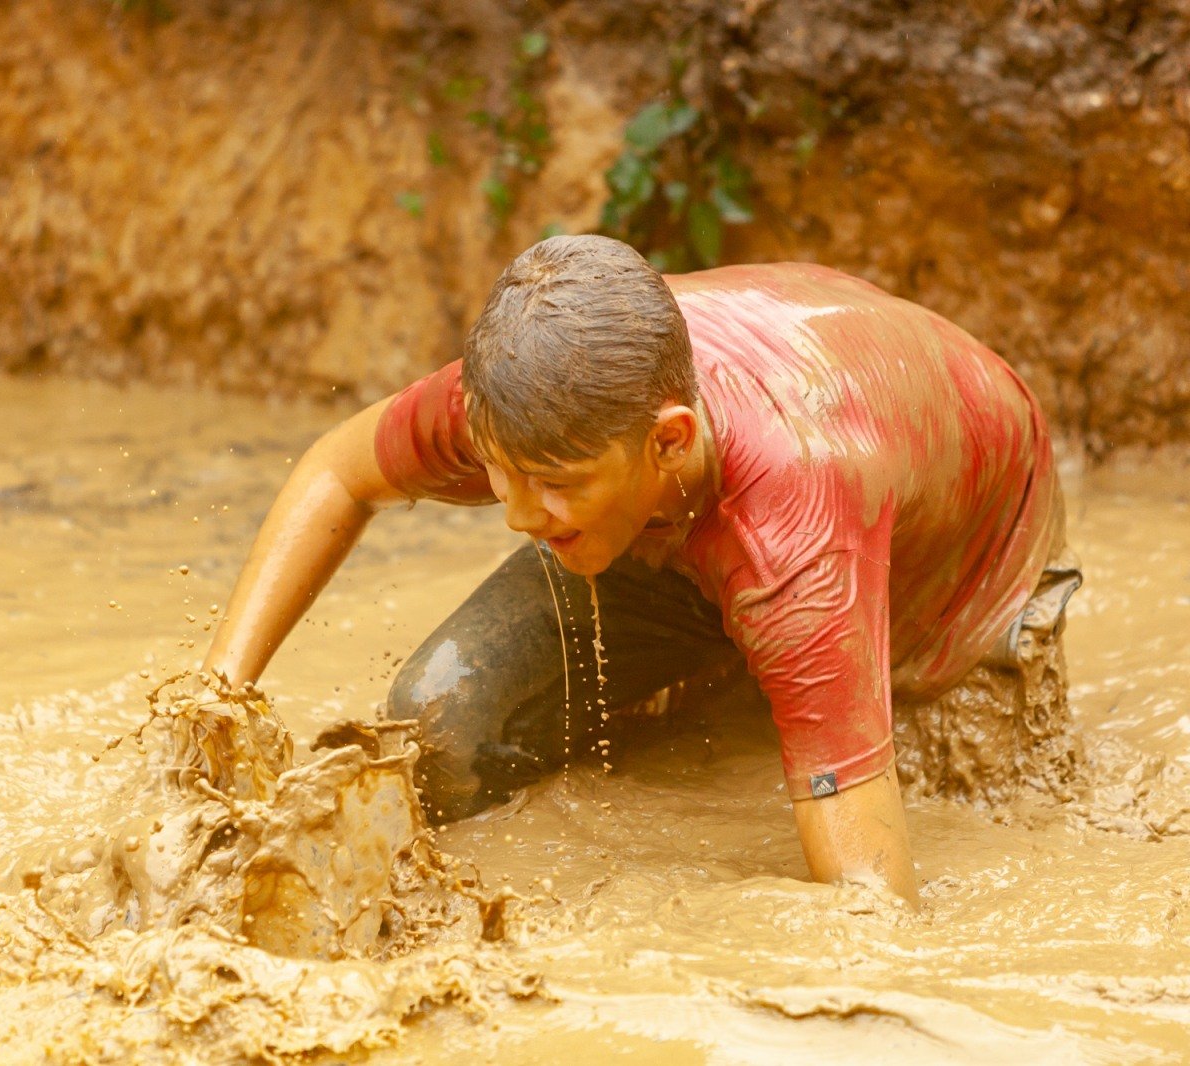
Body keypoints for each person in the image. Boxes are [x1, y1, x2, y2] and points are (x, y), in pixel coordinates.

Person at [197, 235, 1081, 907]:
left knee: (945, 759)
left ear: (669, 442)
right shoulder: (527, 394)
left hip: (958, 542)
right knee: (439, 718)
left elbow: (871, 901)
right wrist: (215, 702)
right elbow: (337, 473)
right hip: (732, 443)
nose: (516, 516)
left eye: (554, 484)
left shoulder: (793, 538)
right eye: (500, 473)